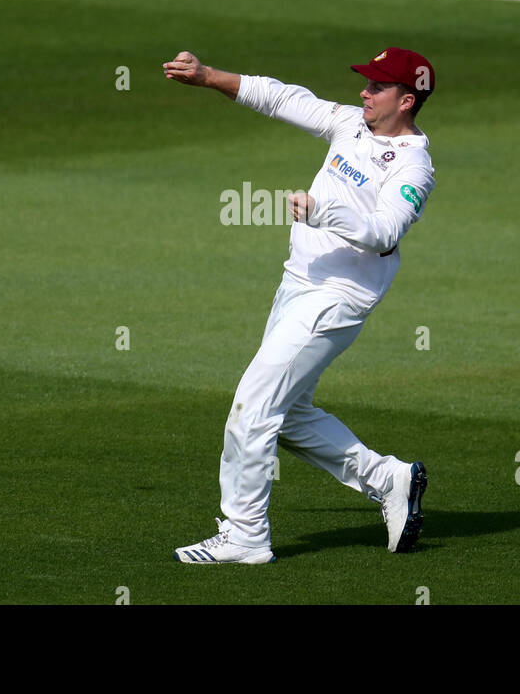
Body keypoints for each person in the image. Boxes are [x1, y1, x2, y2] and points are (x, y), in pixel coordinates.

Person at [162, 47, 436, 563]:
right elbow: (283, 96)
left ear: (406, 100)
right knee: (286, 417)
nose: (364, 92)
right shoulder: (349, 124)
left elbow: (384, 233)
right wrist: (206, 76)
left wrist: (322, 210)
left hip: (337, 299)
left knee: (253, 406)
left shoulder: (414, 168)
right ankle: (389, 480)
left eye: (377, 87)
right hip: (298, 283)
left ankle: (245, 535)